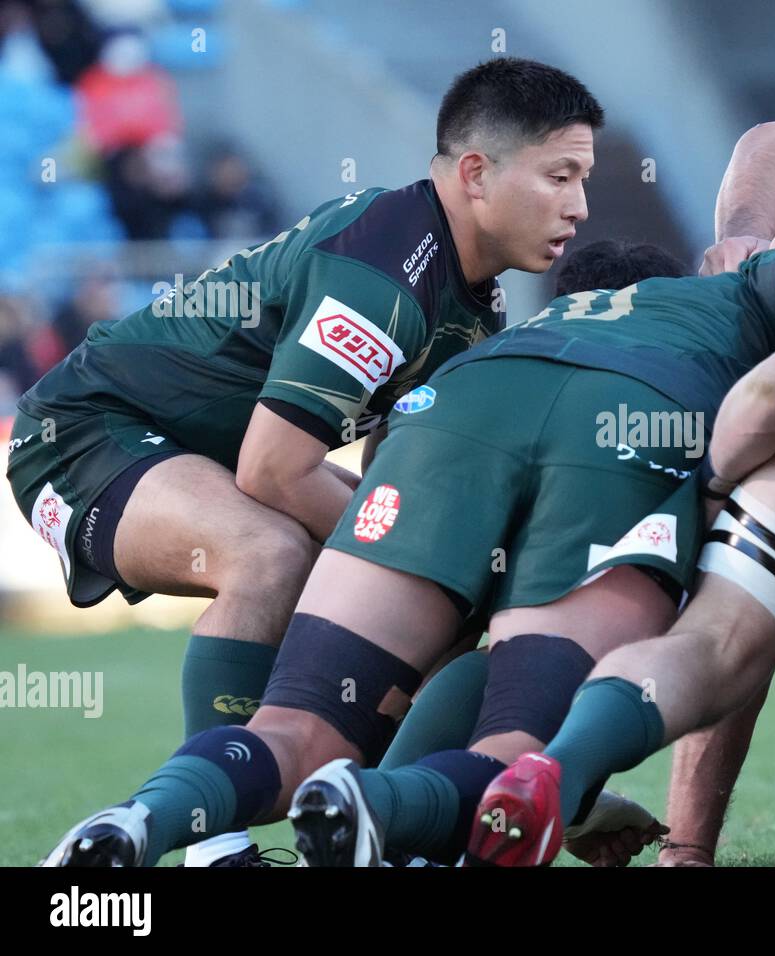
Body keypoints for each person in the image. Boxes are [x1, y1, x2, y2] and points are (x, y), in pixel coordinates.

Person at [16, 56, 602, 867]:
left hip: (196, 455)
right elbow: (272, 472)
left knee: (431, 601)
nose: (579, 206)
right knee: (271, 550)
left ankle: (388, 818)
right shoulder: (384, 280)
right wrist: (401, 559)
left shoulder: (472, 294)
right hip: (85, 431)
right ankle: (210, 843)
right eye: (560, 176)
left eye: (585, 178)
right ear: (475, 173)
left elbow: (402, 476)